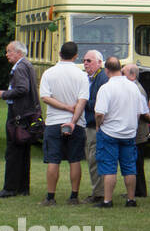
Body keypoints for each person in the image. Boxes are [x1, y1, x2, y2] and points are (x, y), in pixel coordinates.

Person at [38, 41, 90, 204]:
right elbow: (82, 101)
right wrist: (73, 118)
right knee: (75, 160)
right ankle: (74, 196)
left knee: (54, 160)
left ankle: (50, 197)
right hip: (76, 123)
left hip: (53, 121)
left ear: (60, 53)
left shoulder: (49, 73)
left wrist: (64, 107)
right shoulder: (81, 75)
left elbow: (45, 97)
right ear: (76, 56)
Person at [93, 57, 140, 208]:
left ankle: (107, 200)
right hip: (129, 132)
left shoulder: (106, 88)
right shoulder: (133, 87)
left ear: (106, 70)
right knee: (129, 167)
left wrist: (98, 125)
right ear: (120, 68)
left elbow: (100, 113)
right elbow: (139, 111)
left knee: (109, 167)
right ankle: (131, 199)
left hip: (110, 132)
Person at [1, 41, 39, 196]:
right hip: (26, 113)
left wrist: (4, 94)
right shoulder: (27, 65)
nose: (7, 54)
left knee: (14, 151)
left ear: (18, 52)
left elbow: (22, 88)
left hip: (19, 114)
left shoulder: (20, 67)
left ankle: (10, 188)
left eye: (9, 51)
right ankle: (23, 187)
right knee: (23, 151)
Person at [82, 50, 109, 202]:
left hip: (96, 126)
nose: (85, 63)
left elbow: (100, 104)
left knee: (95, 159)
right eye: (84, 60)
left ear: (99, 62)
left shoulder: (102, 78)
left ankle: (99, 194)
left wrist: (82, 101)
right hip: (91, 125)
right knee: (92, 158)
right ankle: (98, 191)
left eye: (89, 61)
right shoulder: (91, 78)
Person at [123, 63, 150, 199]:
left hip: (139, 132)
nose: (121, 77)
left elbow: (143, 112)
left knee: (137, 162)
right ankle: (137, 190)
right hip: (138, 131)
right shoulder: (134, 87)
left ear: (132, 75)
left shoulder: (137, 90)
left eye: (124, 74)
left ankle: (139, 191)